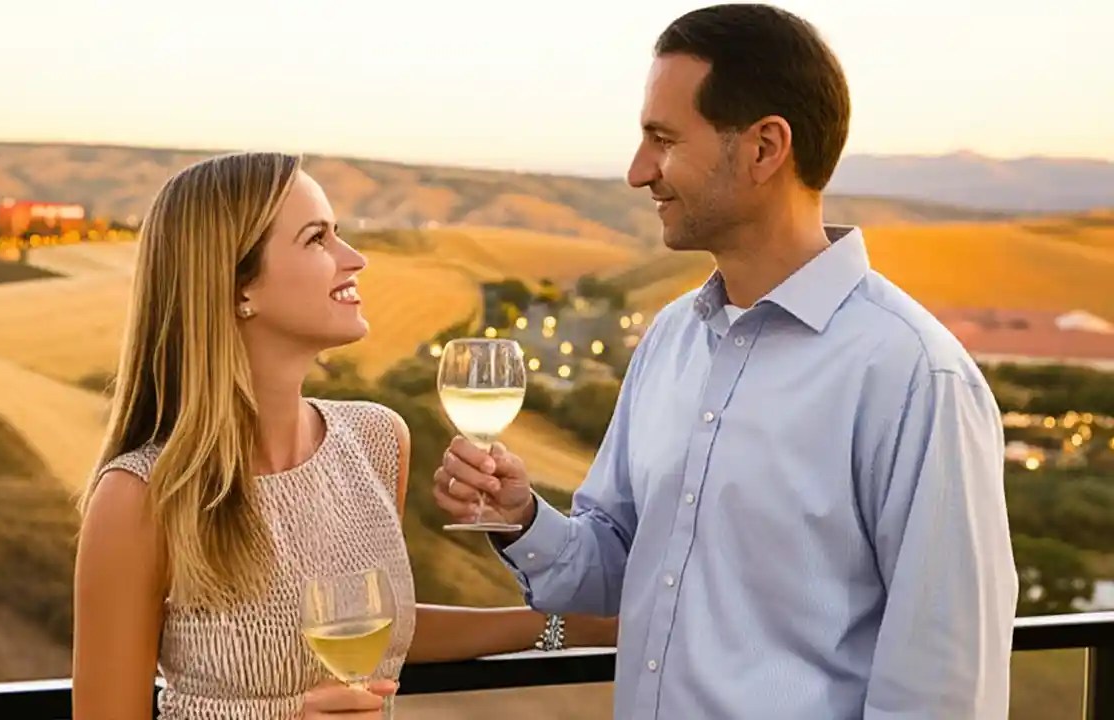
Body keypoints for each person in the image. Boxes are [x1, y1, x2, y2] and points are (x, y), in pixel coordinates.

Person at [433, 5, 1017, 719]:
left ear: (765, 148)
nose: (638, 171)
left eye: (663, 139)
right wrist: (523, 518)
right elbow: (617, 572)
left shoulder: (913, 377)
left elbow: (943, 690)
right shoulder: (670, 339)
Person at [71, 152, 616, 720]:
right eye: (317, 239)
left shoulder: (376, 438)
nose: (355, 259)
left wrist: (568, 625)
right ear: (237, 287)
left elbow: (381, 628)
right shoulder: (139, 496)